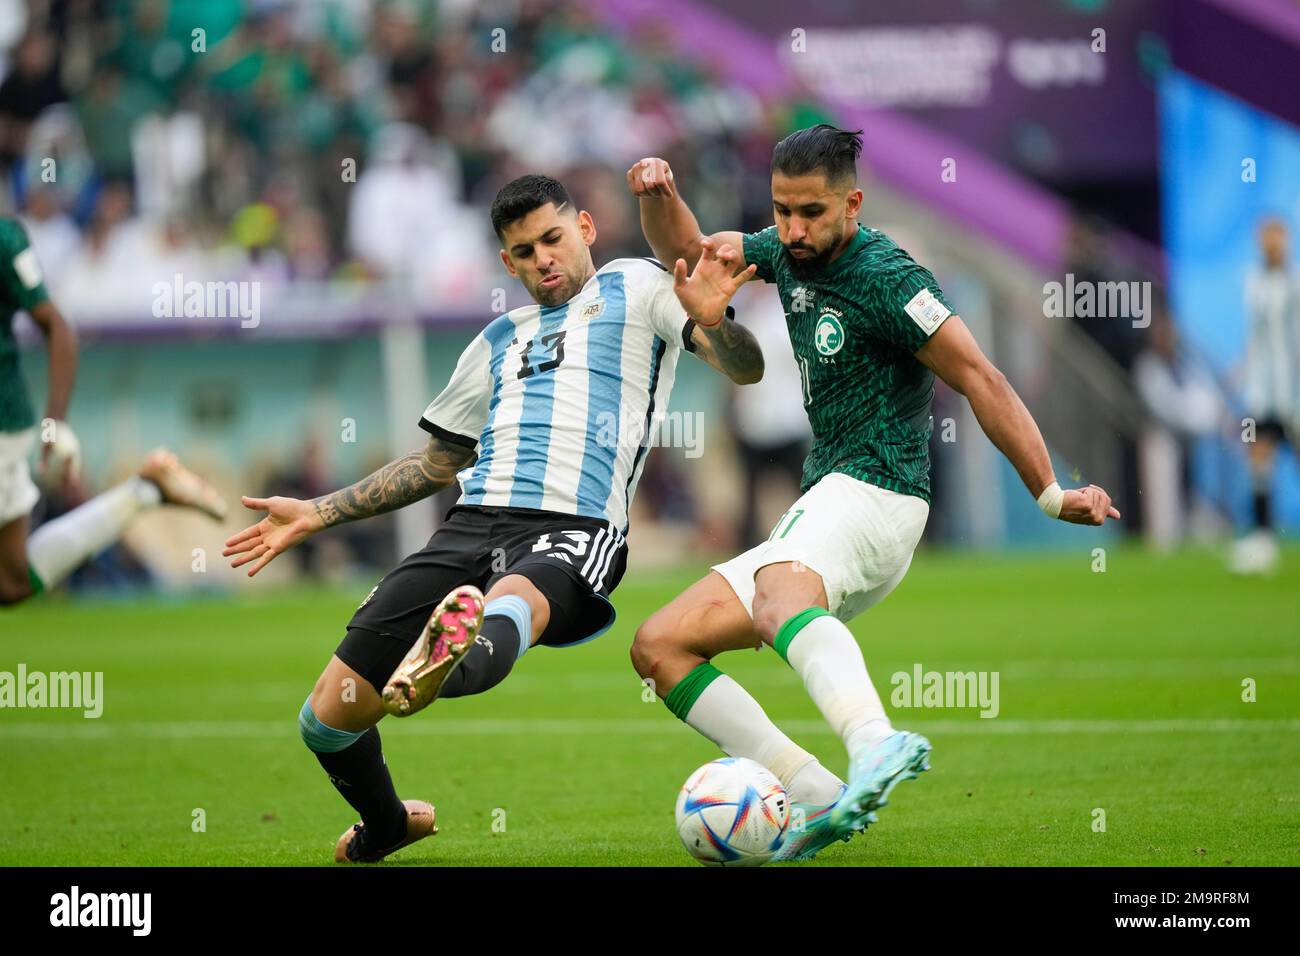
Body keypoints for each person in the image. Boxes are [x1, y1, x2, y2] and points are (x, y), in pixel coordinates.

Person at [222, 174, 763, 863]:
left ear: (587, 230)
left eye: (554, 238)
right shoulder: (495, 339)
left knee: (510, 604)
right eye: (526, 249)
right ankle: (387, 823)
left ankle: (448, 659)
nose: (544, 258)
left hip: (574, 525)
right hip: (469, 525)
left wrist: (717, 322)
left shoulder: (637, 286)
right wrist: (316, 512)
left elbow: (743, 370)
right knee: (327, 718)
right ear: (507, 263)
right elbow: (434, 465)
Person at [627, 125, 1120, 861]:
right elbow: (691, 255)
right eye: (782, 210)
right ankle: (816, 788)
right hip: (828, 497)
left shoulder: (892, 279)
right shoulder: (785, 249)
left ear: (853, 203)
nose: (792, 230)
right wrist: (660, 197)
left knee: (778, 597)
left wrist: (1050, 491)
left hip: (880, 490)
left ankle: (876, 742)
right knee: (660, 644)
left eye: (811, 214)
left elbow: (980, 376)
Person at [0, 216, 226, 607]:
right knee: (10, 582)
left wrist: (57, 421)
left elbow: (54, 323)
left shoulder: (4, 238)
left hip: (3, 419)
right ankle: (144, 492)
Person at [1231, 217, 1298, 574]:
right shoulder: (1253, 282)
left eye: (1275, 236)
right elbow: (1255, 338)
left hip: (1294, 394)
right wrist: (1240, 372)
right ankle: (1263, 541)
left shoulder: (1295, 280)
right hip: (1261, 393)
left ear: (1284, 239)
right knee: (1259, 460)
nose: (1269, 243)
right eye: (1264, 236)